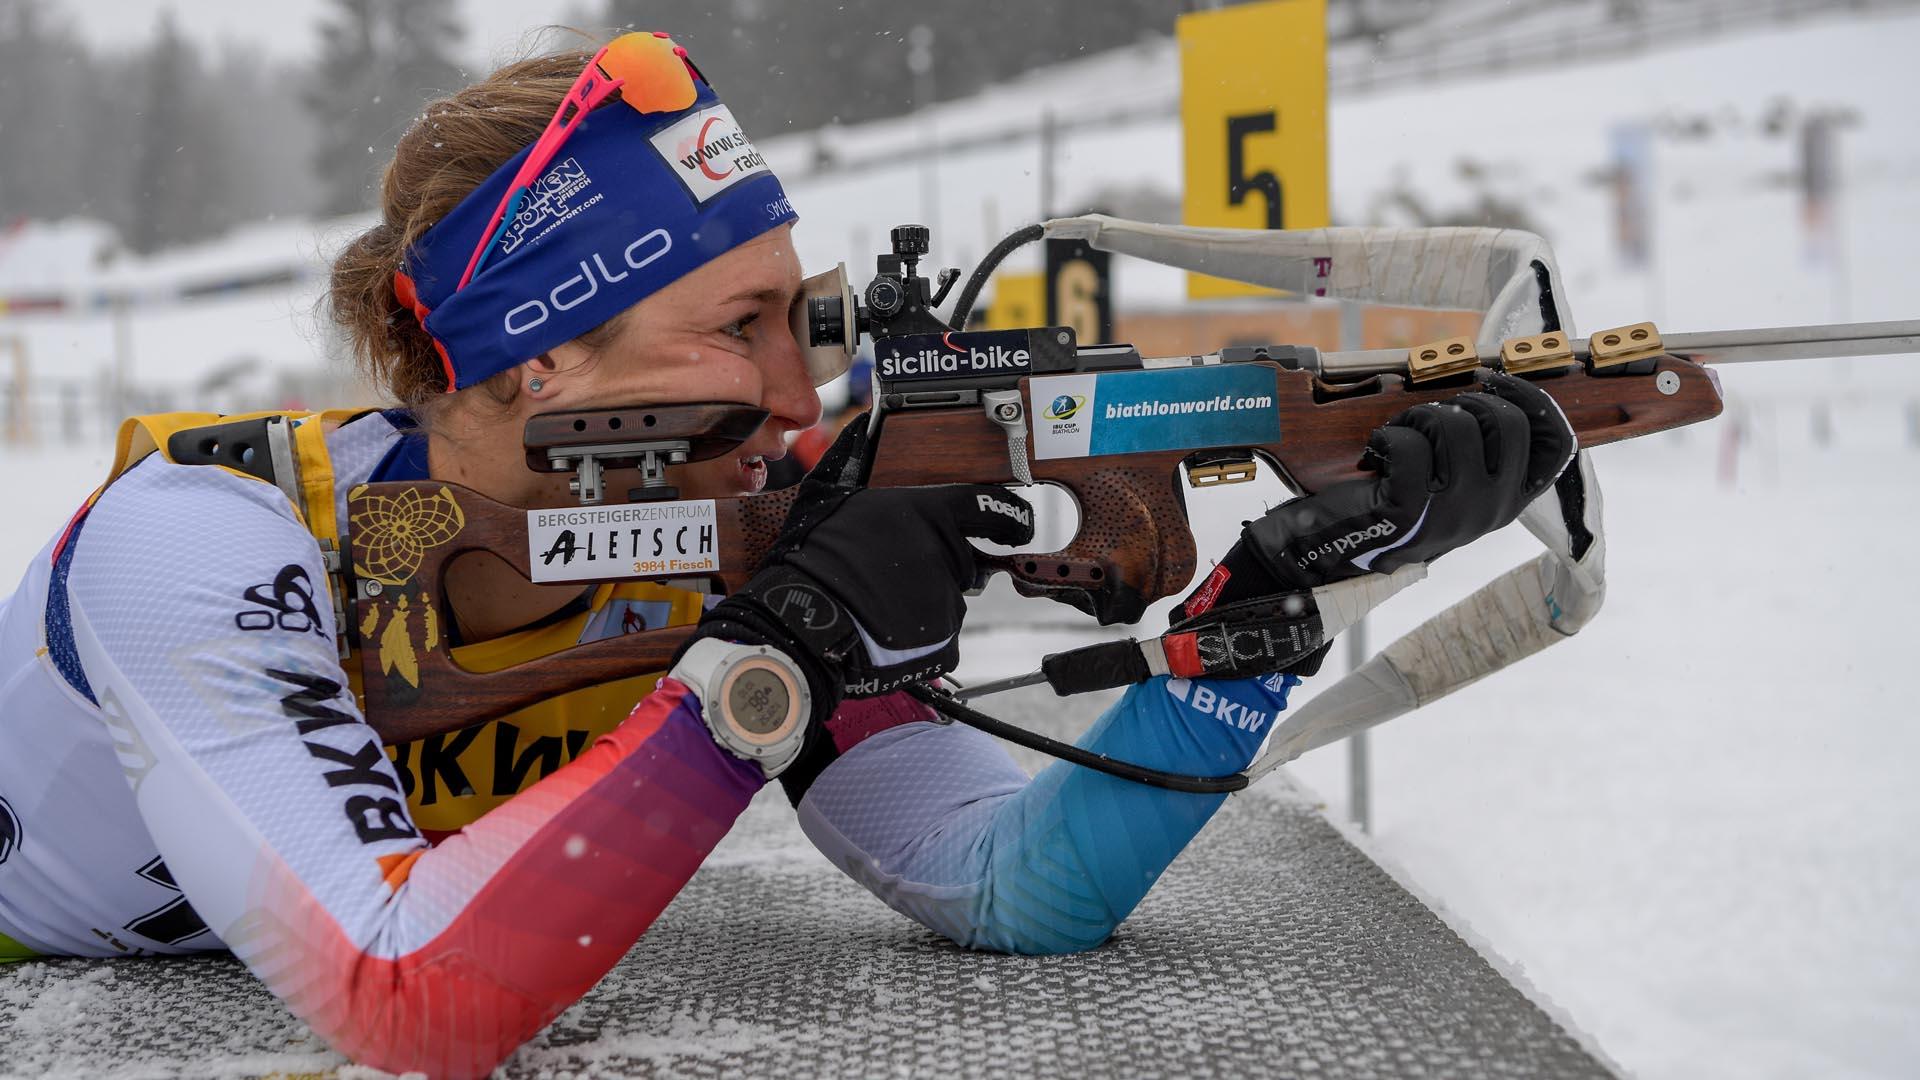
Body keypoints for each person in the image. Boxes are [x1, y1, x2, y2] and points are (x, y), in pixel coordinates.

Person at [0, 32, 1574, 1079]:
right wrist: (778, 657)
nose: (798, 391)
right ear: (540, 359)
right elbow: (409, 995)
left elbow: (1011, 889)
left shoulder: (725, 537)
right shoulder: (208, 548)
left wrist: (1265, 617)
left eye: (803, 315)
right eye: (734, 327)